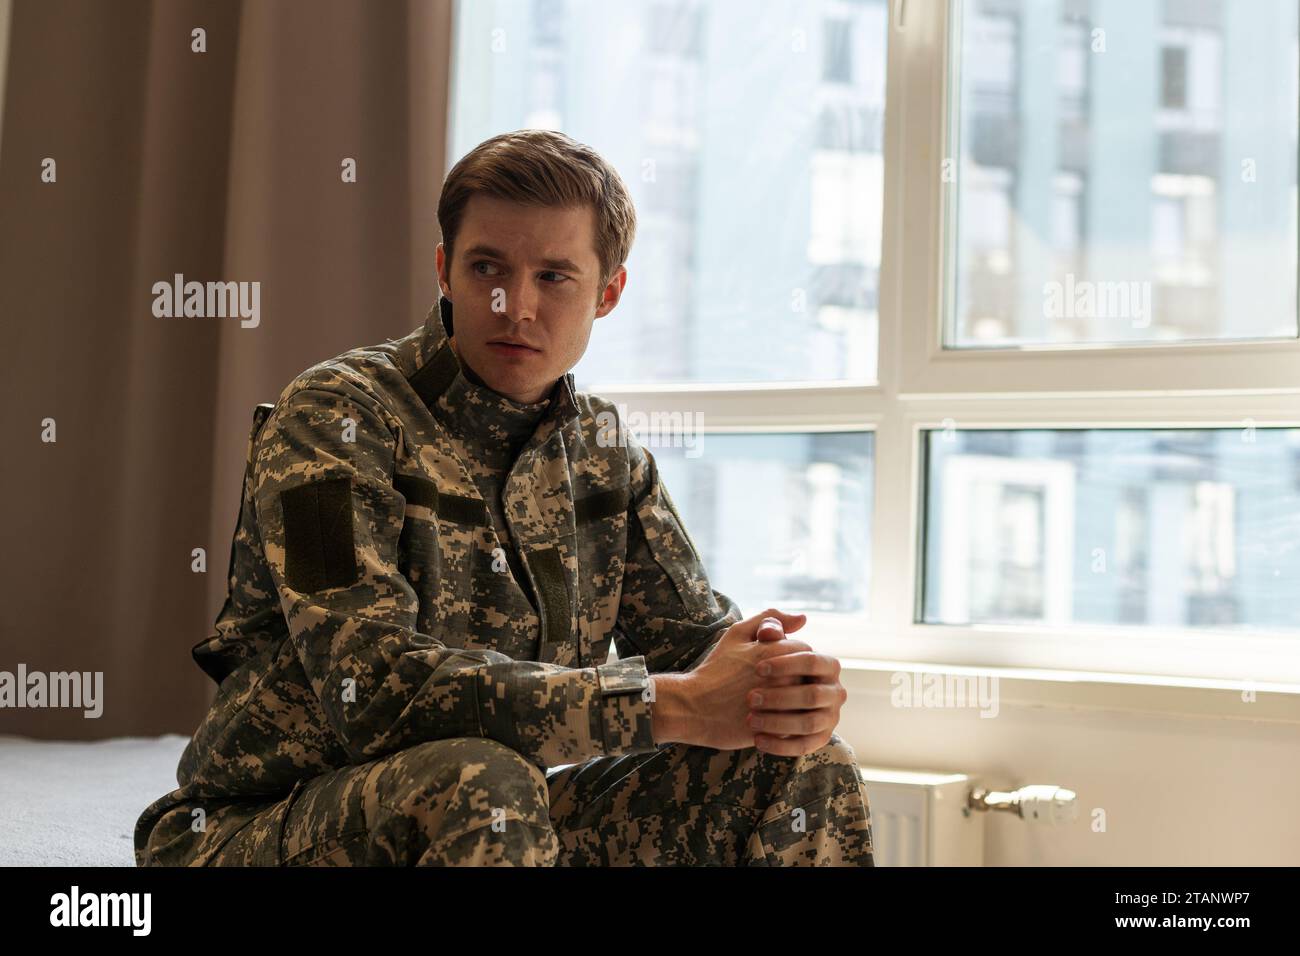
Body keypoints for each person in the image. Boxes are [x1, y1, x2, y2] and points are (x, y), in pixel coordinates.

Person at [134, 129, 874, 866]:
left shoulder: (604, 453)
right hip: (264, 826)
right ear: (444, 271)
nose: (514, 305)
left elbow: (697, 649)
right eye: (487, 267)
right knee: (483, 781)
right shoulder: (334, 417)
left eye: (554, 276)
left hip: (495, 819)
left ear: (608, 293)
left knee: (798, 759)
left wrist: (776, 690)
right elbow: (370, 688)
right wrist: (668, 704)